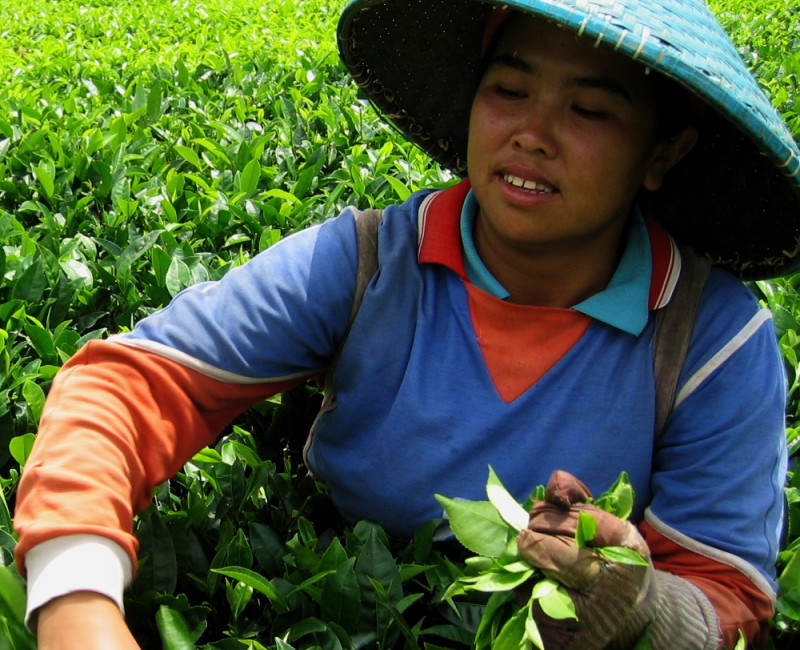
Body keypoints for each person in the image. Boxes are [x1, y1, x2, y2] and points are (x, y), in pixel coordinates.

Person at [13, 0, 800, 648]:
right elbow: (131, 386)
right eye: (508, 90)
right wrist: (76, 595)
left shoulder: (712, 344)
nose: (532, 132)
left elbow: (726, 597)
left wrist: (636, 603)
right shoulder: (367, 262)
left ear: (663, 152)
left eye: (590, 109)